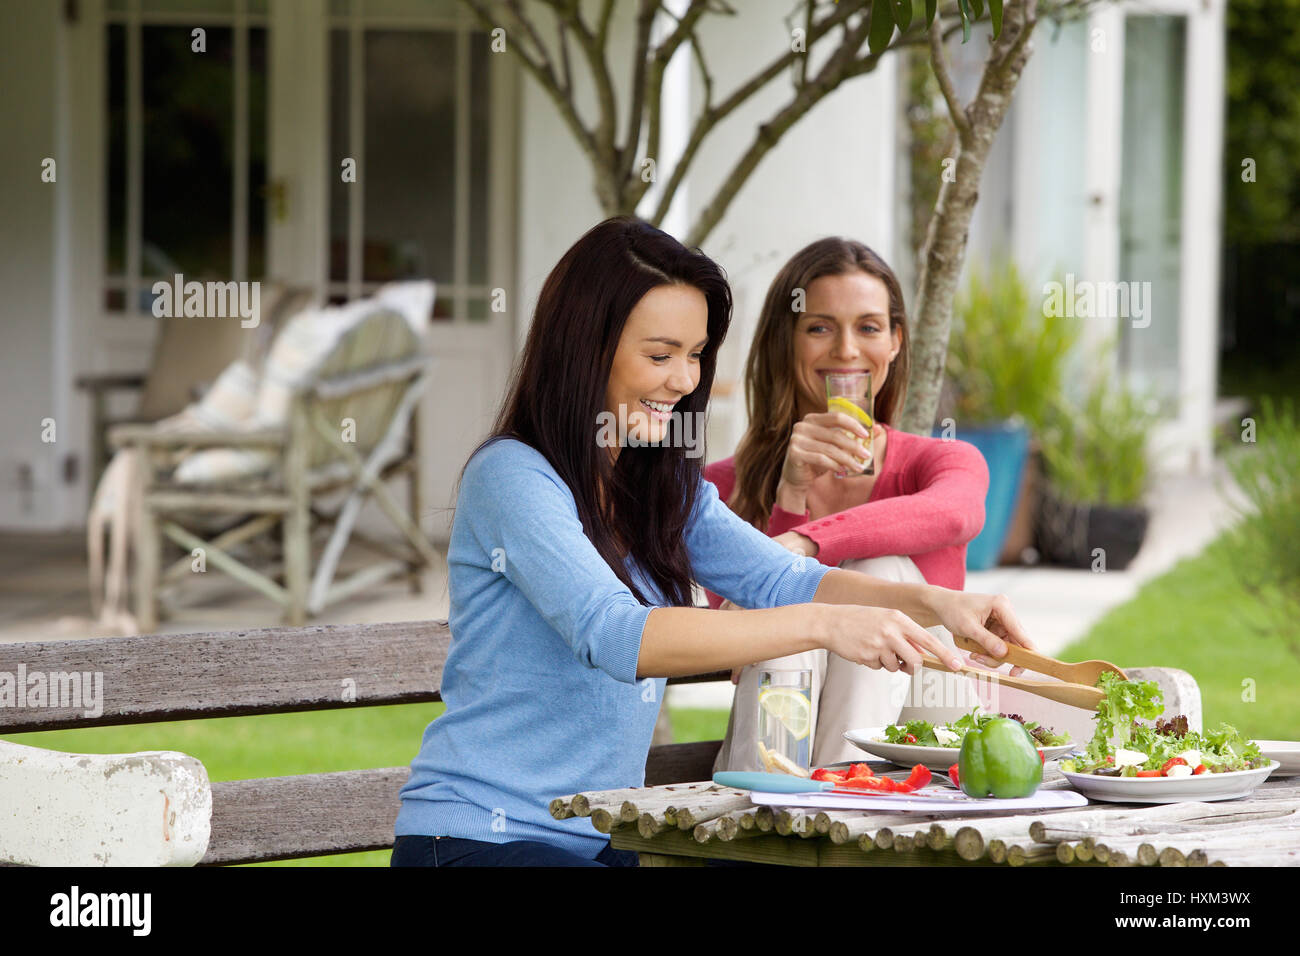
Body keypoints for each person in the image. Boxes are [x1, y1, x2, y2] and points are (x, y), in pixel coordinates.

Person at [391, 217, 1032, 867]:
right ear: (586, 346)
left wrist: (940, 606)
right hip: (478, 840)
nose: (684, 380)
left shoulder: (662, 487)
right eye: (660, 354)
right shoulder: (512, 477)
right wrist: (825, 625)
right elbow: (614, 634)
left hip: (599, 841)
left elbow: (782, 579)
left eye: (695, 355)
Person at [707, 237, 1025, 772]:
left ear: (897, 342)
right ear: (787, 340)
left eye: (869, 327)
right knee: (793, 612)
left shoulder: (941, 460)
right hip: (781, 744)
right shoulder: (721, 488)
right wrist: (789, 497)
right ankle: (772, 805)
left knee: (877, 571)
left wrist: (806, 540)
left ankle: (832, 809)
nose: (846, 350)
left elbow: (956, 514)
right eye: (820, 327)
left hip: (926, 736)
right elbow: (734, 645)